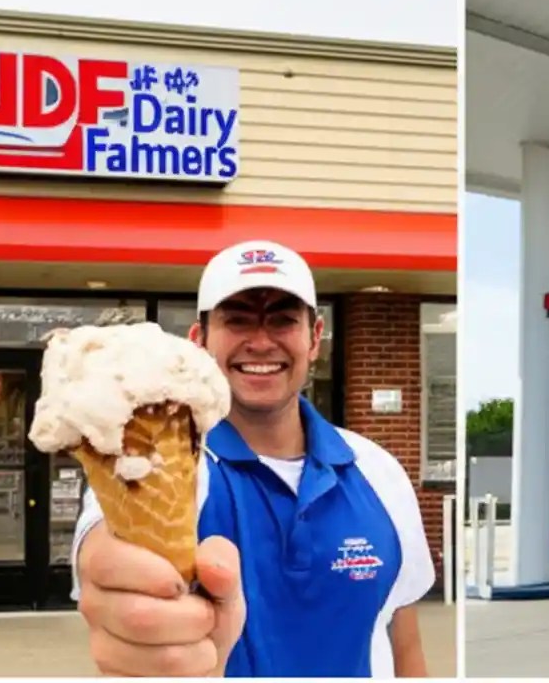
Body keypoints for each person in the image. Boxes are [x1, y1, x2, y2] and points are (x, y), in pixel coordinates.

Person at [68, 240, 435, 677]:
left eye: (283, 320)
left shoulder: (378, 470)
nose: (261, 343)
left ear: (315, 337)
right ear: (199, 340)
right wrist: (119, 599)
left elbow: (404, 643)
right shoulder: (154, 466)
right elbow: (107, 560)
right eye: (237, 321)